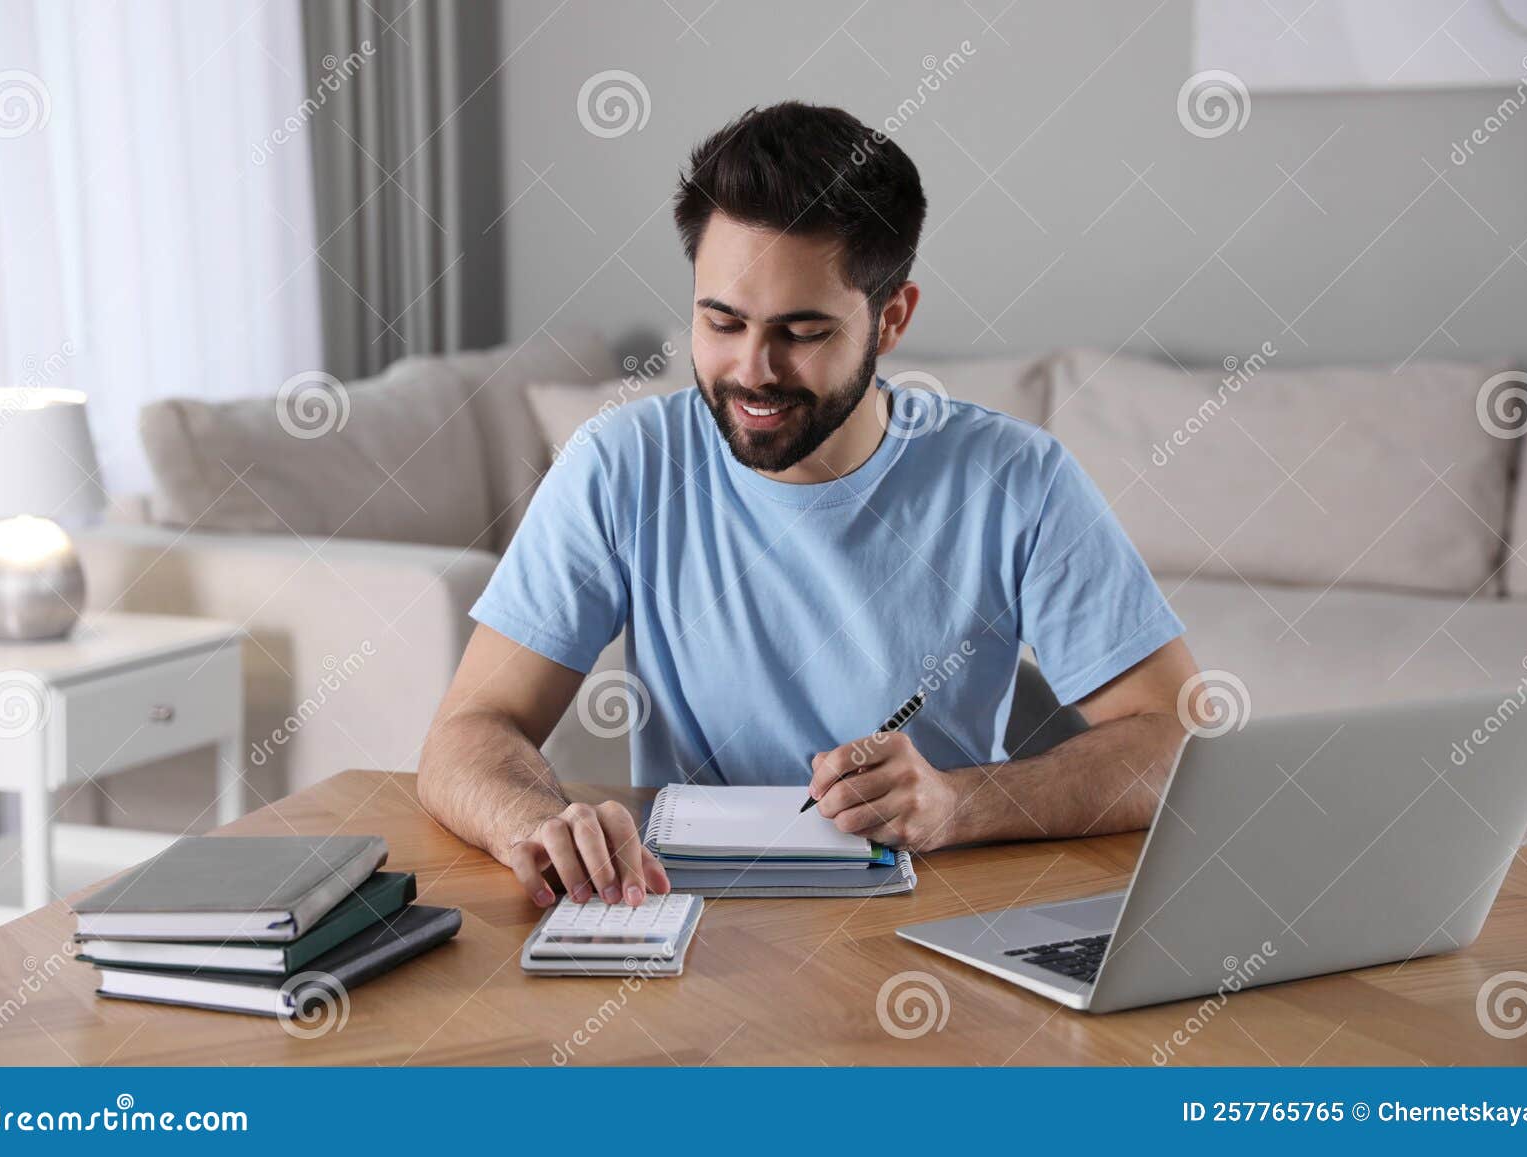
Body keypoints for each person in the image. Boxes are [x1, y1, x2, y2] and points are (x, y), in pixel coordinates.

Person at [417, 101, 1200, 908]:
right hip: (689, 925)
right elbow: (469, 732)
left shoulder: (1019, 478)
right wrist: (537, 820)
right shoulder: (621, 465)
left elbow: (1176, 736)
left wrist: (958, 804)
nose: (752, 369)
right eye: (721, 321)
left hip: (934, 927)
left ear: (891, 318)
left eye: (802, 332)